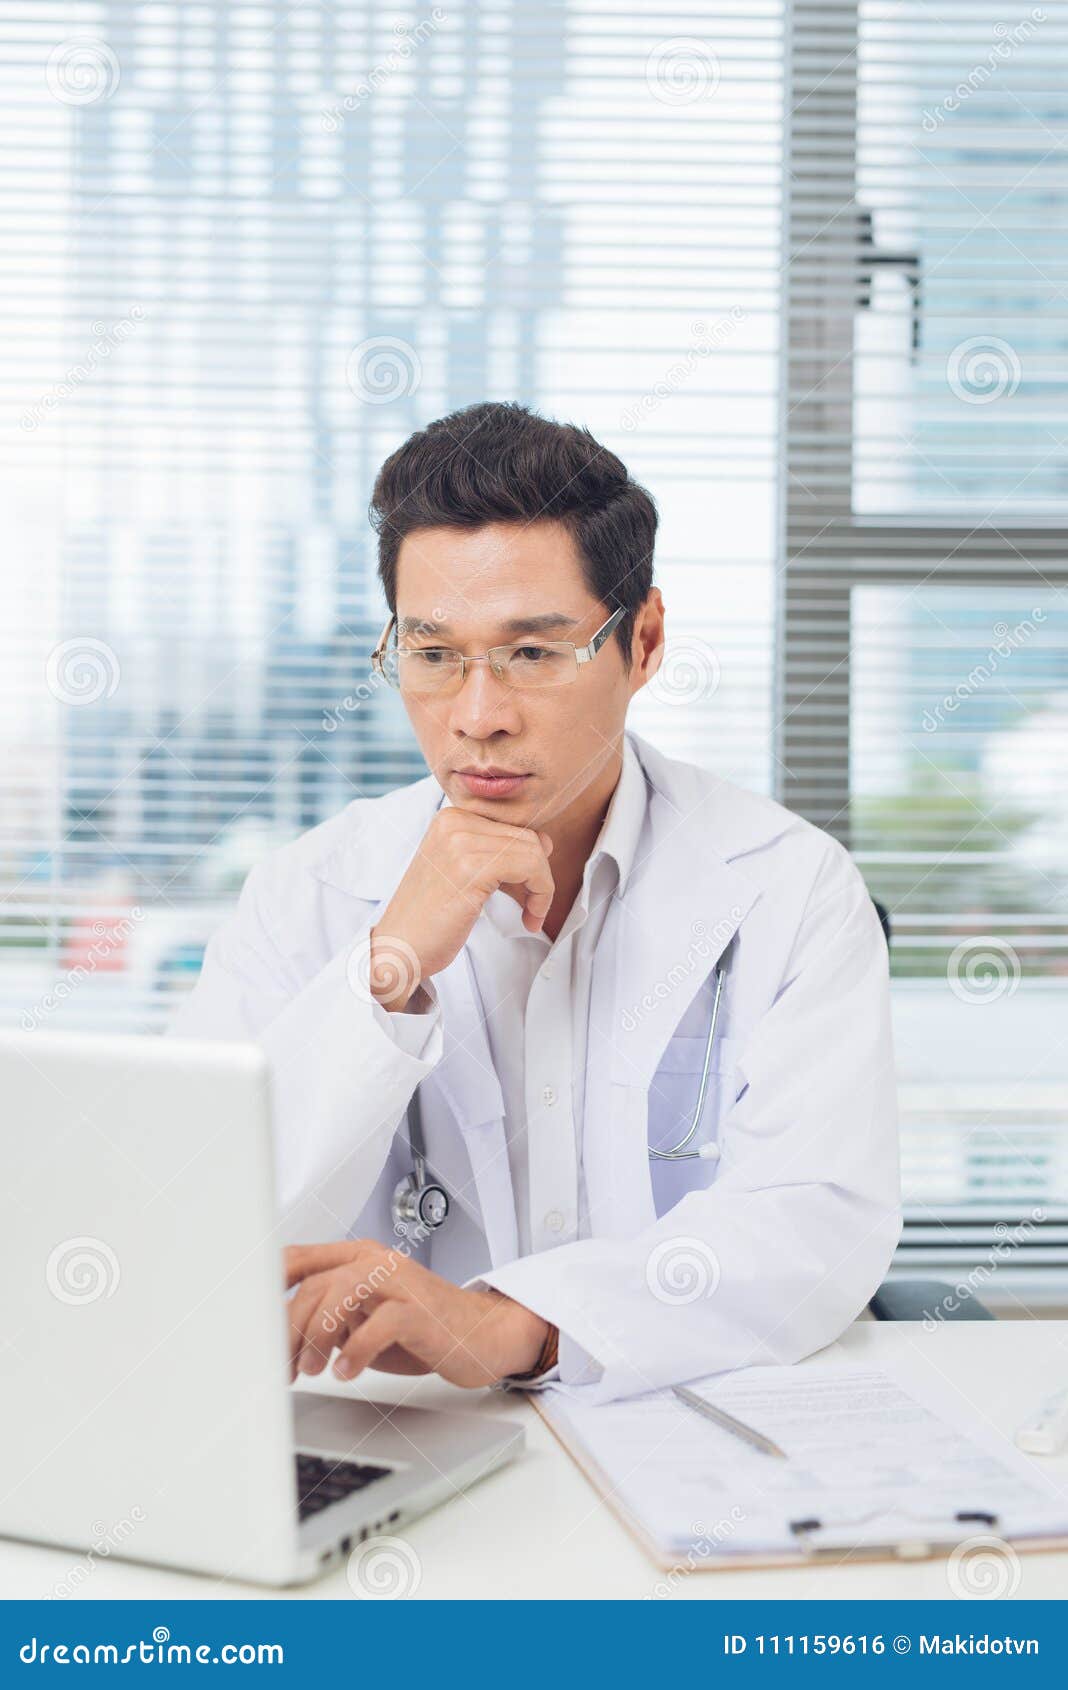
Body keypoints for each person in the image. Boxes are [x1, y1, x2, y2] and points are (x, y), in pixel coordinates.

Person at [170, 400, 900, 1405]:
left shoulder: (789, 885)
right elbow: (201, 1223)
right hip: (397, 1434)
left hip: (689, 1419)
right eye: (433, 655)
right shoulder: (309, 893)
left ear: (644, 641)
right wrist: (386, 970)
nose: (478, 717)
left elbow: (817, 1221)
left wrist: (510, 1326)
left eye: (533, 653)